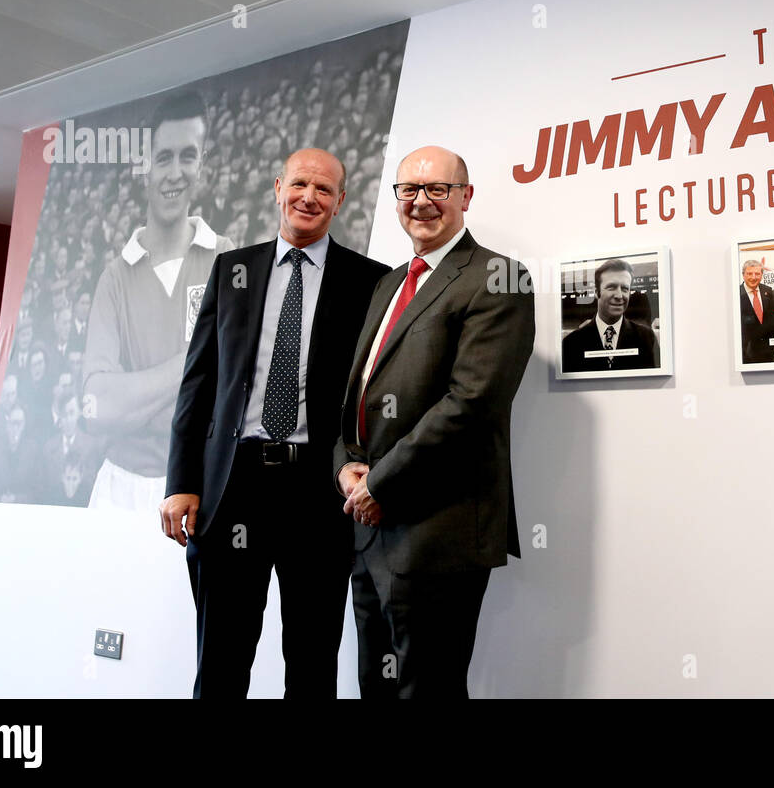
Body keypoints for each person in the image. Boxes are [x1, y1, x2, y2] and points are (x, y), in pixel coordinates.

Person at [163, 147, 389, 699]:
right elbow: (199, 382)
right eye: (299, 184)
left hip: (320, 489)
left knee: (312, 660)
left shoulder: (371, 281)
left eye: (324, 190)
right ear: (277, 187)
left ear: (340, 202)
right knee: (221, 655)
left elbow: (374, 392)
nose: (308, 197)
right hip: (231, 486)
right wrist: (181, 483)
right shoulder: (231, 270)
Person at [333, 145, 535, 698]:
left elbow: (471, 404)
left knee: (428, 689)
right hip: (370, 526)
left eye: (437, 190)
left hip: (439, 528)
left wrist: (381, 481)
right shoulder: (388, 283)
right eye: (408, 190)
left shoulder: (499, 278)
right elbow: (360, 391)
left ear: (465, 196)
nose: (421, 201)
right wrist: (347, 465)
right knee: (376, 683)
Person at [82, 91, 235, 513]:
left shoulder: (228, 260)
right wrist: (195, 361)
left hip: (201, 483)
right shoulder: (114, 278)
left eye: (188, 156)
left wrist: (136, 397)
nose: (175, 172)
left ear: (202, 162)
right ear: (144, 165)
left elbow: (235, 386)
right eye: (163, 157)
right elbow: (99, 407)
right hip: (119, 487)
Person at [561, 258, 659, 372]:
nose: (619, 295)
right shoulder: (571, 343)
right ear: (597, 292)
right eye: (611, 287)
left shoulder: (647, 338)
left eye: (625, 289)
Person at [738, 258, 774, 363]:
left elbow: (772, 318)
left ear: (761, 275)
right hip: (746, 352)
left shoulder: (767, 291)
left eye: (757, 274)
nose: (753, 277)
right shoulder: (736, 294)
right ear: (743, 275)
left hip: (768, 350)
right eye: (749, 274)